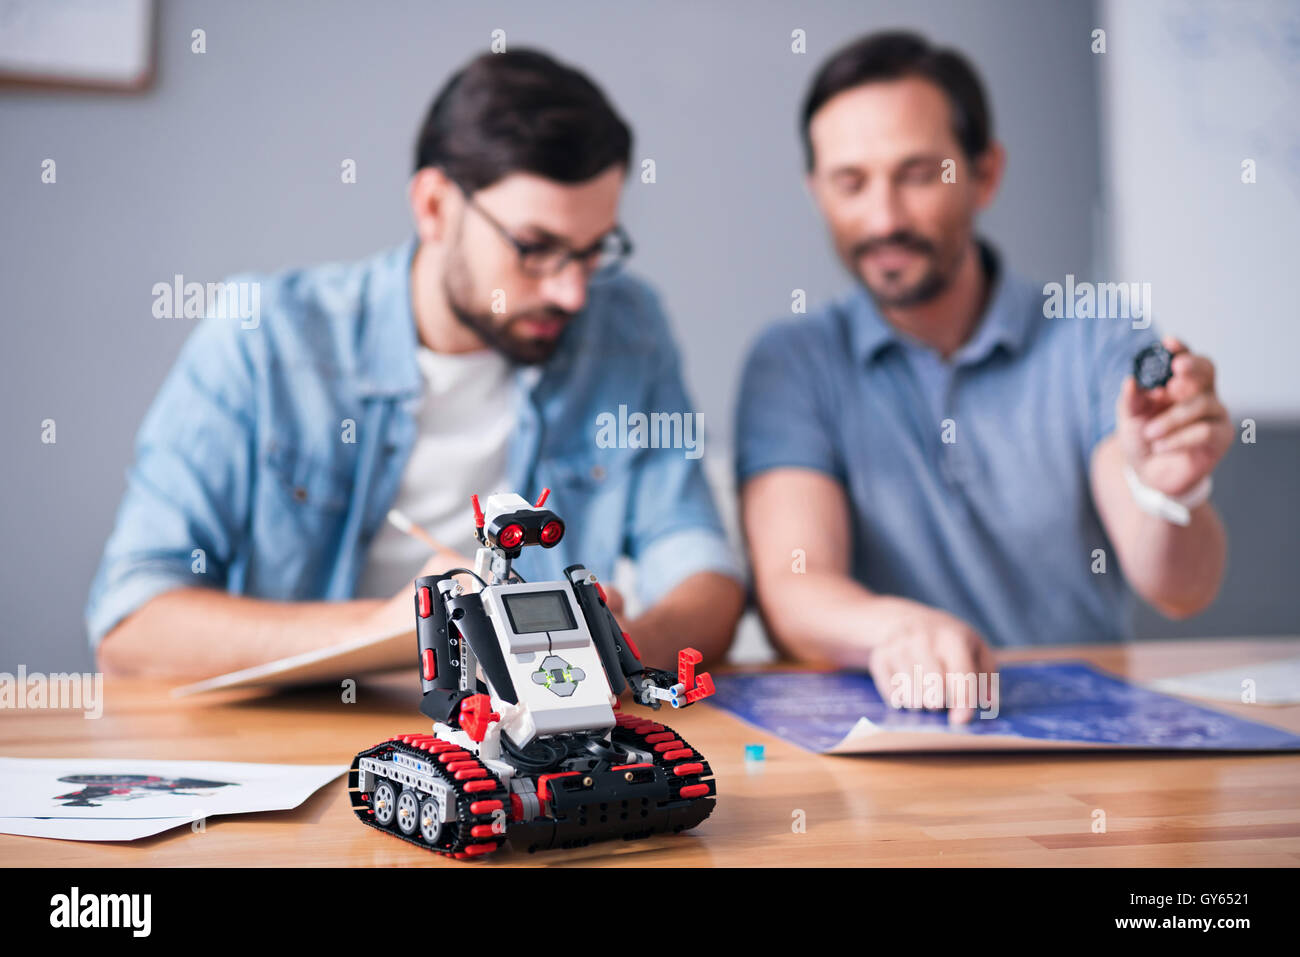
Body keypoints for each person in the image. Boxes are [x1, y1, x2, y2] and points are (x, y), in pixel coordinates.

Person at [88, 49, 744, 679]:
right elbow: (132, 622)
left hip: (519, 751)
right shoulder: (263, 338)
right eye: (536, 247)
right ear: (433, 206)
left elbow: (703, 570)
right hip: (292, 751)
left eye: (594, 249)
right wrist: (388, 628)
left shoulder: (627, 327)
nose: (572, 290)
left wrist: (618, 648)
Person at [736, 32, 1231, 722]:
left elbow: (1181, 589)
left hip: (1087, 738)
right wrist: (896, 628)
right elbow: (796, 589)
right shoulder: (792, 361)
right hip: (888, 742)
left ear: (984, 173)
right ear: (817, 189)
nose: (883, 217)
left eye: (916, 175)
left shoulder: (1094, 336)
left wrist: (1173, 492)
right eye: (851, 182)